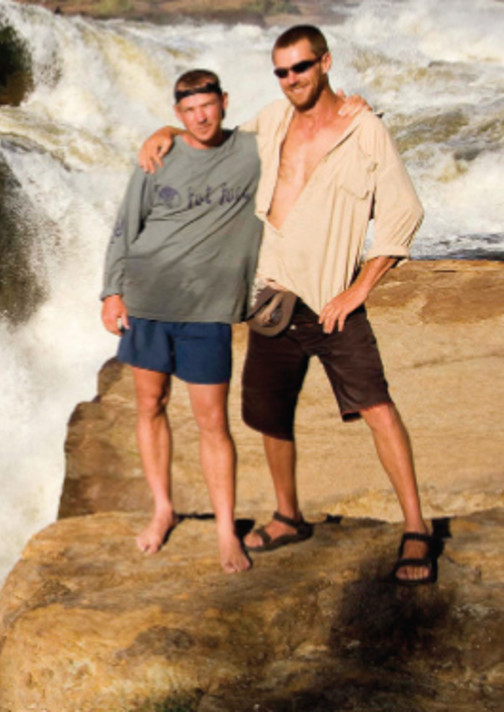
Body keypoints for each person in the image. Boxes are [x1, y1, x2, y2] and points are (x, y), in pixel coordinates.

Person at [141, 25, 435, 583]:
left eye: (300, 67)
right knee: (270, 414)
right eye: (281, 71)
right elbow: (218, 144)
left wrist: (359, 289)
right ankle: (287, 516)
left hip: (330, 301)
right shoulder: (273, 120)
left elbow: (404, 212)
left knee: (377, 408)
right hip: (272, 299)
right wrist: (167, 130)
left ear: (325, 62)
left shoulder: (364, 130)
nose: (291, 79)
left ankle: (416, 527)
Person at [101, 69, 260, 574]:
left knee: (213, 421)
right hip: (147, 301)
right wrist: (111, 292)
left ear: (224, 101)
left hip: (208, 310)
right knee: (150, 405)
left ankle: (225, 528)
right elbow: (126, 226)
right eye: (189, 111)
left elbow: (307, 127)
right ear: (177, 114)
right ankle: (162, 509)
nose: (201, 117)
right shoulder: (159, 157)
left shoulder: (254, 151)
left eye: (208, 105)